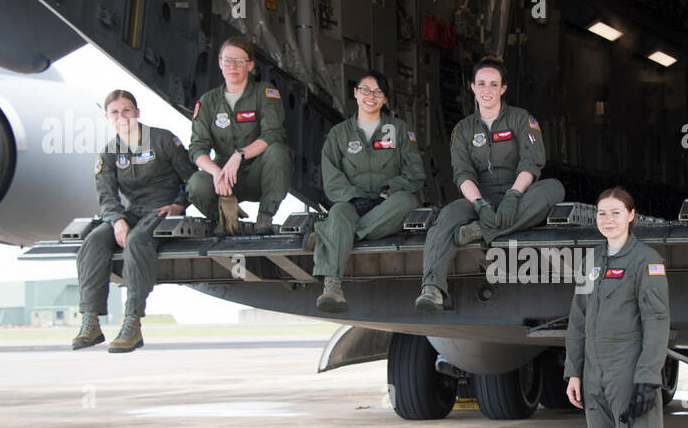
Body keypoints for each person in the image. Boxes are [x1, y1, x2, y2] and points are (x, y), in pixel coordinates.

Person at [564, 187, 670, 428]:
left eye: (614, 213)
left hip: (628, 374)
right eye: (601, 213)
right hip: (594, 377)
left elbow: (657, 324)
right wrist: (573, 371)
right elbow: (577, 319)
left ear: (632, 216)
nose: (607, 220)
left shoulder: (647, 262)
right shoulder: (591, 263)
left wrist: (647, 379)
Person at [414, 56, 564, 311]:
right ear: (472, 87)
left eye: (494, 84)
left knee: (554, 189)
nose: (487, 90)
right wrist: (480, 204)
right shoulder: (462, 130)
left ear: (503, 88)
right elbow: (462, 174)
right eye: (481, 84)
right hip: (479, 199)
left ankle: (481, 231)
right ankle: (432, 289)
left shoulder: (521, 119)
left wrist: (514, 195)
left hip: (518, 194)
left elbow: (531, 162)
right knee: (448, 215)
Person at [72, 90, 194, 352]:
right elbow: (106, 196)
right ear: (107, 117)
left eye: (127, 110)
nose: (122, 117)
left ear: (137, 112)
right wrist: (117, 220)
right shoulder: (108, 154)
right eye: (115, 112)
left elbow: (192, 179)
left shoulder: (162, 139)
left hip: (164, 209)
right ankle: (90, 321)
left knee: (137, 241)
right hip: (134, 211)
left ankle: (132, 322)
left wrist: (179, 205)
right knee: (93, 240)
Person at [313, 72, 425, 311]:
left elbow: (415, 174)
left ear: (384, 99)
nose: (370, 97)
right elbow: (331, 177)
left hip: (388, 203)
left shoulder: (399, 130)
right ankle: (332, 286)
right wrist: (353, 196)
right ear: (355, 93)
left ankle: (340, 236)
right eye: (365, 90)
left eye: (378, 92)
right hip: (353, 202)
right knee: (339, 214)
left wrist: (392, 188)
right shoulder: (339, 134)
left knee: (407, 201)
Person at [186, 36, 294, 235]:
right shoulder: (208, 101)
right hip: (225, 180)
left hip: (257, 174)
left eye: (240, 61)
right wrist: (216, 173)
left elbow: (273, 134)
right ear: (220, 63)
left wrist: (240, 155)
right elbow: (197, 148)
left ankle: (265, 219)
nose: (233, 66)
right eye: (228, 60)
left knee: (278, 152)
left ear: (250, 65)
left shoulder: (265, 92)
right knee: (196, 184)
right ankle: (226, 218)